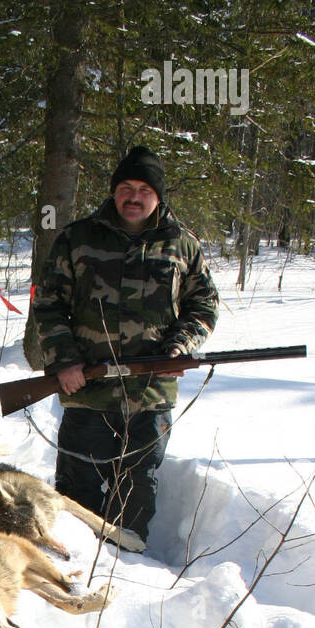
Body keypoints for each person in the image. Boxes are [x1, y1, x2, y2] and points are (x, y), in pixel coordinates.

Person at [32, 145, 219, 544]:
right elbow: (48, 304)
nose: (134, 197)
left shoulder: (182, 245)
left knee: (136, 494)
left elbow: (203, 304)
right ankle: (74, 569)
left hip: (150, 395)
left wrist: (178, 348)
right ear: (115, 190)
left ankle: (132, 579)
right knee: (74, 496)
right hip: (87, 391)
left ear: (158, 196)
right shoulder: (77, 238)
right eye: (126, 187)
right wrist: (64, 361)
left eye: (144, 190)